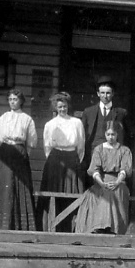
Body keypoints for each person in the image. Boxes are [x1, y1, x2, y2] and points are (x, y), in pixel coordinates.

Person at [0, 88, 38, 230]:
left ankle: (20, 226)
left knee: (20, 186)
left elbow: (32, 142)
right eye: (10, 99)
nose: (12, 102)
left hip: (20, 153)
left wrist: (23, 155)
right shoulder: (3, 117)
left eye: (15, 99)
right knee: (1, 185)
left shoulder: (27, 119)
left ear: (21, 101)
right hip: (4, 152)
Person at [75, 121, 132, 234]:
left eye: (113, 134)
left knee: (111, 193)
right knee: (93, 195)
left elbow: (124, 170)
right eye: (108, 134)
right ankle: (96, 227)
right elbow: (95, 170)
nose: (110, 137)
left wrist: (117, 182)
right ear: (105, 134)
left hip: (118, 183)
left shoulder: (124, 150)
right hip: (101, 182)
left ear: (117, 134)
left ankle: (110, 227)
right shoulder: (99, 149)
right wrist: (101, 183)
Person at [40, 91, 84, 231]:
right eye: (60, 107)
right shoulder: (50, 124)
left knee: (72, 191)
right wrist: (55, 160)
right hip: (55, 160)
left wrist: (74, 160)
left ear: (68, 106)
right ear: (55, 107)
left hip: (72, 158)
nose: (62, 109)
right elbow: (47, 146)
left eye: (64, 106)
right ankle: (52, 226)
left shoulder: (76, 123)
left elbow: (81, 146)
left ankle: (71, 227)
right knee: (54, 190)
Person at [78, 77, 130, 177]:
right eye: (102, 93)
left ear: (113, 93)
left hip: (113, 154)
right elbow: (82, 136)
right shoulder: (88, 112)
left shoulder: (121, 112)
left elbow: (126, 136)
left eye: (108, 93)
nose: (105, 96)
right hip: (93, 154)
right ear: (98, 93)